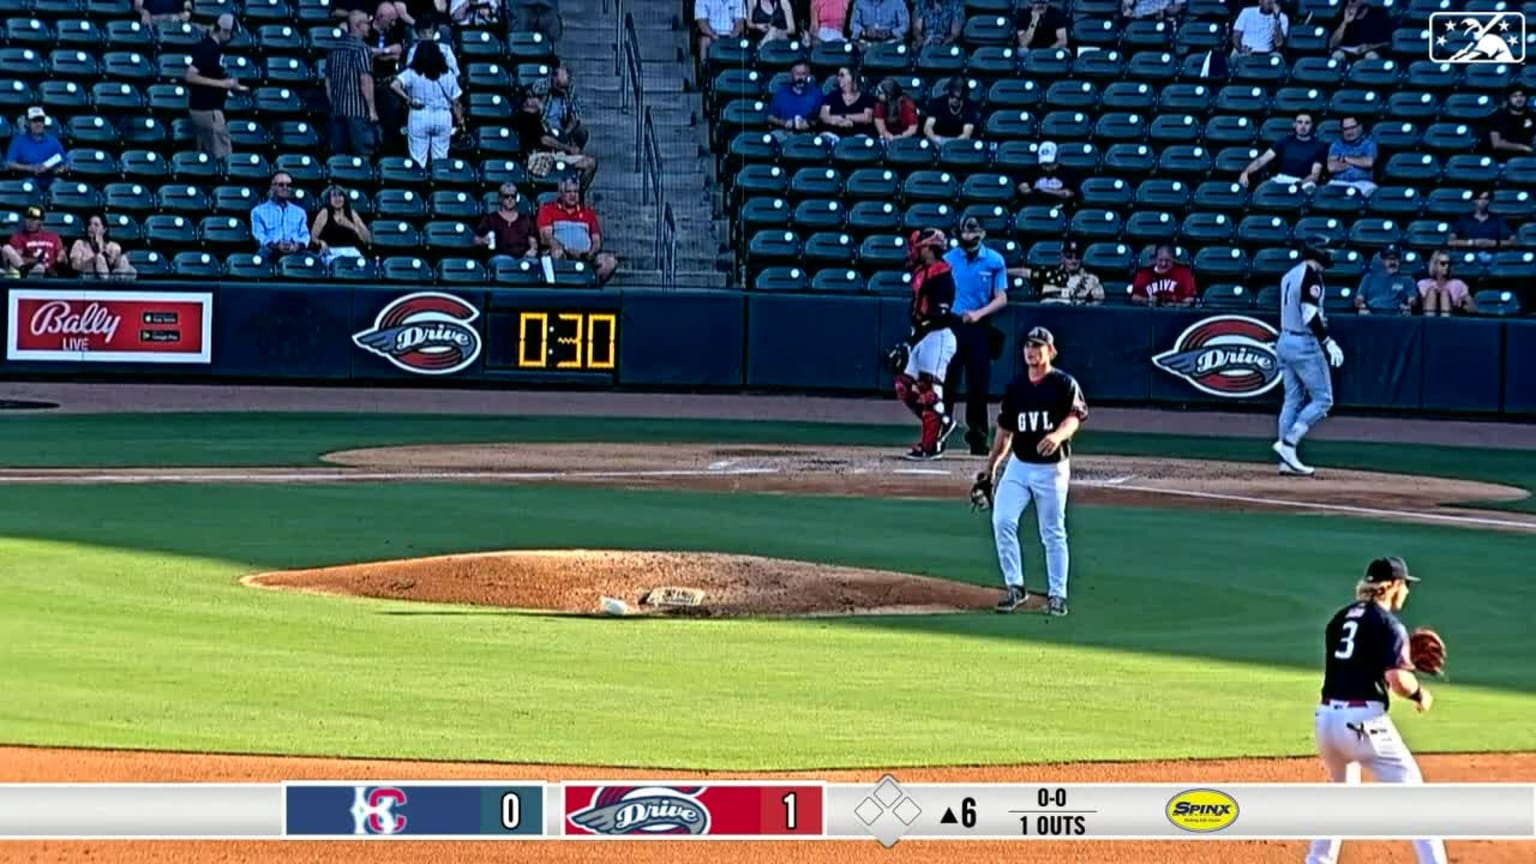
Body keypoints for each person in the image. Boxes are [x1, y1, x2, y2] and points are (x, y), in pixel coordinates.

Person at [1306, 556, 1446, 864]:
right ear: (1393, 586)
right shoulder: (1388, 624)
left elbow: (1355, 662)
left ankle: (1316, 860)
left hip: (1326, 720)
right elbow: (1396, 680)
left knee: (1340, 795)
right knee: (1416, 797)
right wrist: (1420, 693)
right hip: (1362, 723)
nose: (1407, 592)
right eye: (1405, 585)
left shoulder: (1339, 619)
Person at [981, 327, 1087, 618]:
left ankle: (1058, 595)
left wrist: (1058, 435)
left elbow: (1075, 417)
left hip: (1052, 470)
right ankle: (1015, 586)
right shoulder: (1016, 387)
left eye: (1038, 346)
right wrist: (990, 468)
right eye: (1028, 345)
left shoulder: (1064, 384)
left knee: (1052, 532)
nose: (1032, 351)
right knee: (1002, 520)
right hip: (1020, 465)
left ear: (1051, 352)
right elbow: (1004, 433)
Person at [1273, 236, 1344, 477]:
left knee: (1292, 398)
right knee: (1324, 399)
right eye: (1327, 250)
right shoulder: (1311, 276)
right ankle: (1289, 444)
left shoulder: (1290, 274)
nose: (1330, 254)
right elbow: (1309, 314)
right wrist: (1328, 341)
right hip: (1303, 344)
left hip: (1284, 339)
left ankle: (1285, 461)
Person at [942, 216, 1008, 456]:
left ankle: (978, 436)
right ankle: (938, 432)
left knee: (978, 384)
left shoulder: (993, 260)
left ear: (982, 234)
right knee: (947, 382)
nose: (969, 236)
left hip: (978, 325)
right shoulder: (948, 260)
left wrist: (979, 314)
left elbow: (1001, 297)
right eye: (965, 231)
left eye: (974, 231)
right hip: (952, 324)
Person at [893, 227, 959, 461]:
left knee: (930, 389)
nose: (915, 252)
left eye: (920, 247)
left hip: (939, 336)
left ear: (930, 249)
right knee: (904, 385)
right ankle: (942, 420)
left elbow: (939, 315)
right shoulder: (922, 272)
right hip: (923, 336)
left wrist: (911, 340)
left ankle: (931, 444)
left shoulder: (943, 276)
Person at [389, 40, 463, 167]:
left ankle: (419, 183)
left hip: (419, 115)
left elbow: (394, 85)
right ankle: (439, 183)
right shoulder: (448, 74)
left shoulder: (411, 73)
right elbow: (456, 101)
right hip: (443, 115)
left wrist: (407, 99)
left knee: (417, 160)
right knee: (440, 160)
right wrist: (461, 120)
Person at [536, 177, 618, 285]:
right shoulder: (548, 210)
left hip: (585, 255)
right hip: (562, 253)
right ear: (561, 193)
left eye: (575, 192)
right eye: (569, 192)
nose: (572, 195)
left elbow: (596, 241)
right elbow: (546, 237)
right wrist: (565, 249)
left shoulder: (588, 213)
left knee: (610, 262)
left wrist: (591, 253)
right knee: (556, 254)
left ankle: (591, 285)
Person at [185, 14, 245, 160]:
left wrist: (233, 86)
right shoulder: (208, 48)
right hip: (207, 111)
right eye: (231, 34)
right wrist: (223, 84)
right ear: (223, 31)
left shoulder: (215, 49)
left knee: (205, 158)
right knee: (222, 156)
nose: (231, 38)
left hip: (208, 109)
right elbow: (190, 76)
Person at [326, 11, 379, 158]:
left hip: (337, 111)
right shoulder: (362, 49)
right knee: (362, 157)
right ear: (358, 26)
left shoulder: (334, 50)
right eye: (367, 24)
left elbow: (328, 83)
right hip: (358, 113)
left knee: (340, 158)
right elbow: (365, 81)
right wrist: (372, 110)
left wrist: (334, 104)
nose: (369, 27)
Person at [476, 182, 541, 267]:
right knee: (505, 262)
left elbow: (533, 241)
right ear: (500, 199)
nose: (510, 199)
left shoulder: (525, 219)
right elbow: (476, 239)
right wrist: (483, 241)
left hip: (523, 258)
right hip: (500, 257)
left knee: (534, 263)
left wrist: (533, 250)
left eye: (513, 196)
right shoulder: (490, 218)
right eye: (506, 196)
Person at [5, 108, 70, 191]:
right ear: (27, 123)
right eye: (34, 121)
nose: (38, 124)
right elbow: (10, 164)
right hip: (28, 179)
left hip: (50, 178)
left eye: (41, 120)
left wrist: (55, 169)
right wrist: (31, 168)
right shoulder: (18, 141)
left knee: (59, 185)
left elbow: (65, 163)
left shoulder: (53, 141)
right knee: (29, 184)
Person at [250, 173, 312, 257]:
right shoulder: (258, 211)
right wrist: (276, 246)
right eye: (281, 185)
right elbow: (258, 235)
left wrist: (298, 245)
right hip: (271, 251)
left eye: (288, 185)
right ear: (272, 187)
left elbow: (305, 234)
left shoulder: (300, 212)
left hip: (295, 250)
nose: (285, 188)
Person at [310, 186, 372, 263]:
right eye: (334, 195)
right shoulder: (324, 213)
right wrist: (321, 242)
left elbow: (368, 239)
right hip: (331, 251)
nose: (337, 199)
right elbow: (313, 237)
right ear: (329, 199)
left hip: (351, 251)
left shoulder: (351, 213)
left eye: (340, 195)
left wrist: (352, 226)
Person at [3, 206, 67, 277]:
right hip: (29, 272)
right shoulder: (18, 237)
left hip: (50, 272)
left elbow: (62, 260)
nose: (30, 222)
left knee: (41, 268)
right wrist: (35, 261)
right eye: (28, 218)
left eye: (34, 219)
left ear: (41, 221)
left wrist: (62, 258)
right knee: (38, 268)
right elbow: (18, 259)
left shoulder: (54, 238)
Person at [68, 214, 136, 280]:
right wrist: (93, 261)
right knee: (99, 258)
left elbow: (116, 265)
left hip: (112, 275)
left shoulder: (113, 246)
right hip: (89, 277)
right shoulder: (79, 244)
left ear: (104, 230)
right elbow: (75, 266)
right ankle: (107, 285)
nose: (91, 227)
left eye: (96, 225)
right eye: (89, 224)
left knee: (126, 262)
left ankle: (110, 283)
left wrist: (100, 249)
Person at [766, 61, 823, 139]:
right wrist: (783, 123)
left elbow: (820, 118)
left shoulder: (816, 94)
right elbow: (770, 117)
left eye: (803, 74)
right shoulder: (781, 93)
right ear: (791, 75)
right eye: (797, 74)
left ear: (808, 76)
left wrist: (809, 123)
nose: (800, 78)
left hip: (807, 134)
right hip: (783, 132)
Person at [818, 66, 876, 138]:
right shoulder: (832, 96)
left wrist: (845, 117)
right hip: (834, 133)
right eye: (838, 76)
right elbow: (824, 115)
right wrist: (838, 122)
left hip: (858, 134)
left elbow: (867, 118)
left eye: (842, 75)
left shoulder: (866, 97)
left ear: (852, 77)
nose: (838, 78)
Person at [1416, 250, 1477, 317]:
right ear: (1435, 265)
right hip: (1427, 317)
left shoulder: (1458, 284)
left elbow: (1473, 308)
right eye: (1443, 263)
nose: (1447, 266)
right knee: (1432, 292)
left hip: (1452, 318)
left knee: (1445, 293)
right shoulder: (1423, 284)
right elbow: (1420, 305)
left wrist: (1462, 306)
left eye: (1449, 263)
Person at [922, 76, 977, 145]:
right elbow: (928, 127)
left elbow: (967, 132)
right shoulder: (937, 103)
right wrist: (934, 138)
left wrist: (953, 144)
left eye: (958, 98)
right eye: (952, 96)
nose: (954, 100)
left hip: (958, 141)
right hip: (937, 139)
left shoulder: (969, 106)